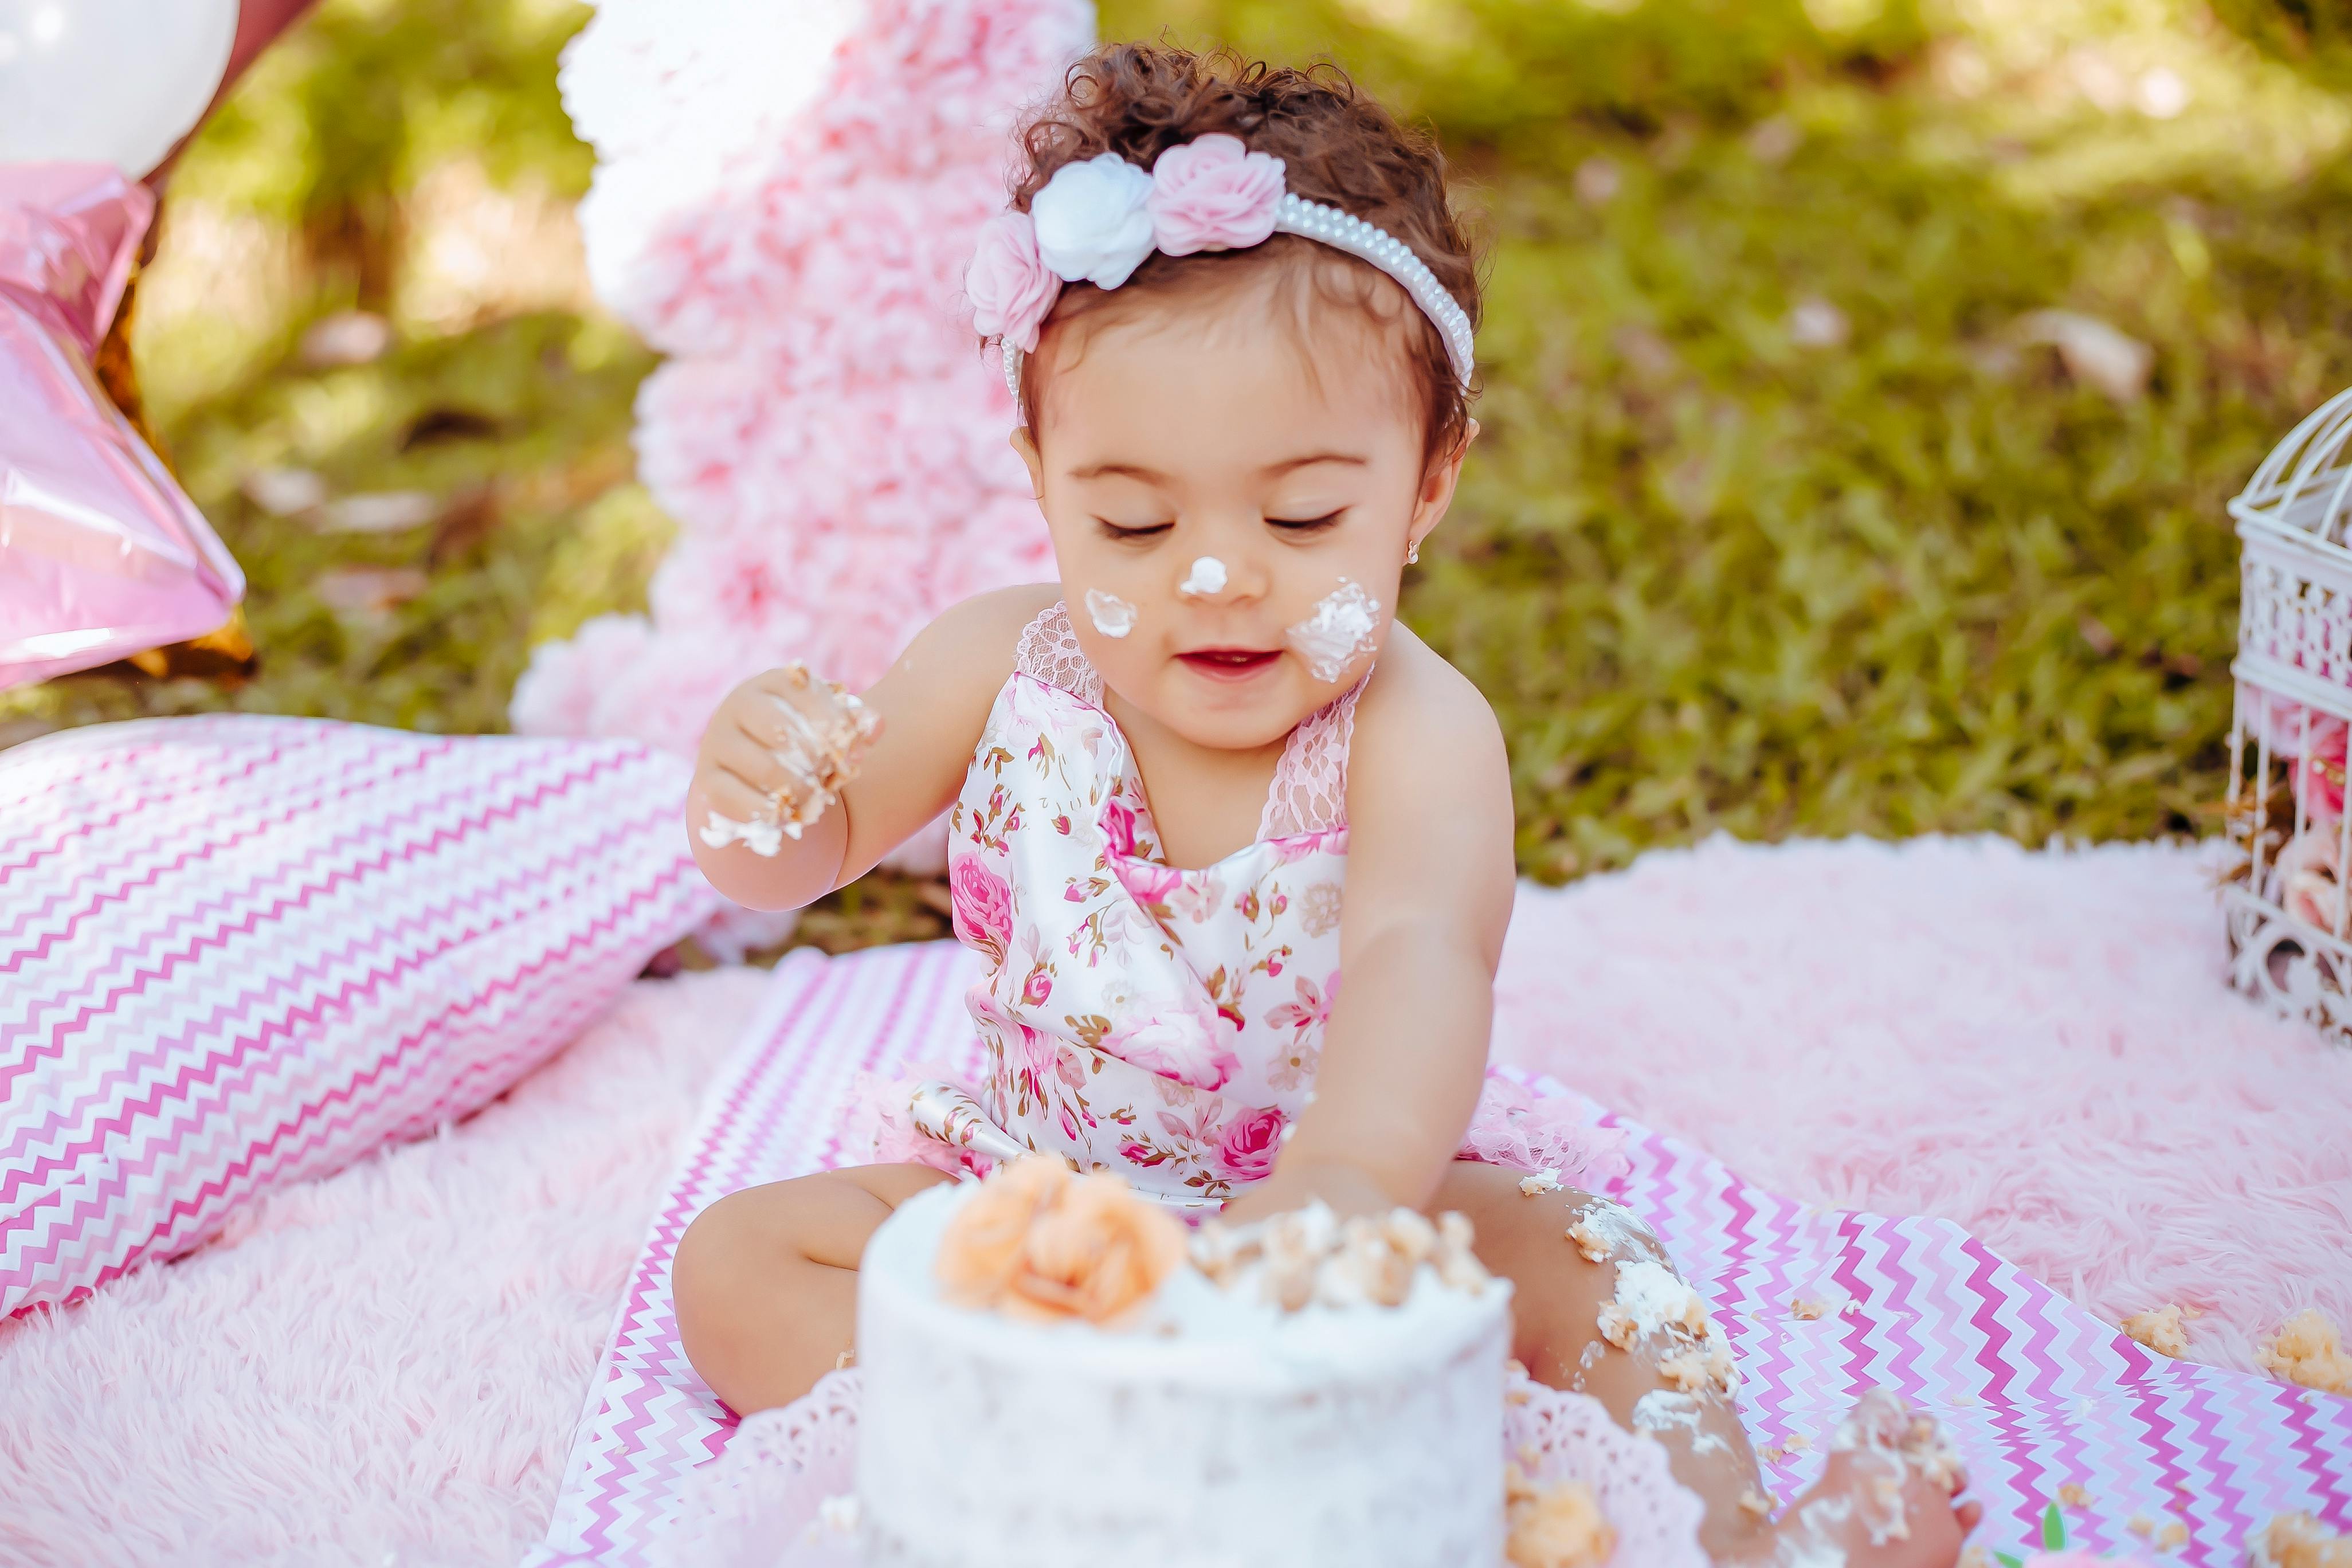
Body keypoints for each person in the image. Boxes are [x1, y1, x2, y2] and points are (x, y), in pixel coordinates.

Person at [671, 42, 1981, 1565]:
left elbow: (1427, 956)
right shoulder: (994, 665)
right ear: (1042, 481)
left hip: (1347, 1218)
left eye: (1303, 515)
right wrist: (754, 794)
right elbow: (798, 860)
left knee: (1592, 1264)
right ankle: (1108, 1440)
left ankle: (1745, 1540)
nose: (1217, 575)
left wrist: (1345, 1190)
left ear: (1429, 485)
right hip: (1045, 1217)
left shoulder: (1416, 732)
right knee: (741, 1268)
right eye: (1134, 519)